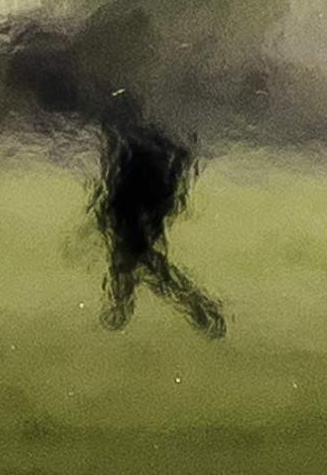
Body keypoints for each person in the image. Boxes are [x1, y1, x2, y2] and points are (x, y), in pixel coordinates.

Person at [91, 97, 228, 337]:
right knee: (135, 261)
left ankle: (198, 309)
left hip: (136, 210)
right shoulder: (140, 142)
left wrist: (114, 211)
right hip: (142, 209)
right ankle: (121, 310)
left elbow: (122, 184)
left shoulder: (129, 145)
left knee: (140, 262)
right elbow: (176, 164)